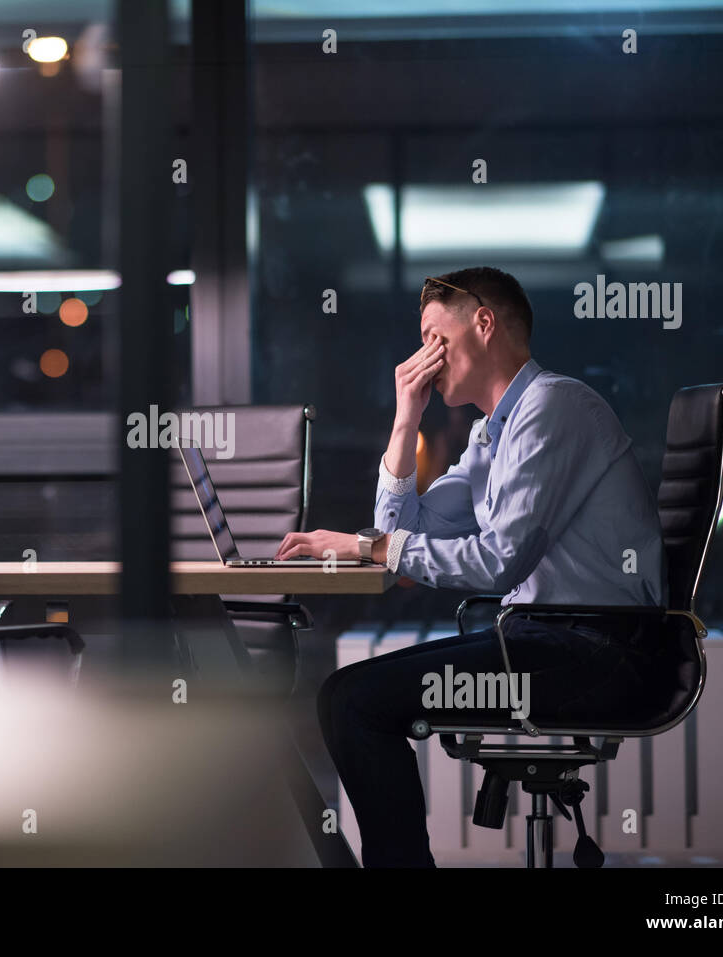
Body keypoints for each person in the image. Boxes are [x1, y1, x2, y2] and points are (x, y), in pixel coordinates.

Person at [275, 266, 672, 867]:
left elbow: (496, 565)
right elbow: (402, 529)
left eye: (435, 337)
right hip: (546, 643)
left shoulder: (553, 408)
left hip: (600, 653)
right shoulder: (493, 432)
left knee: (354, 700)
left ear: (484, 324)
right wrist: (405, 417)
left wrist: (366, 549)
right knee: (346, 697)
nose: (424, 357)